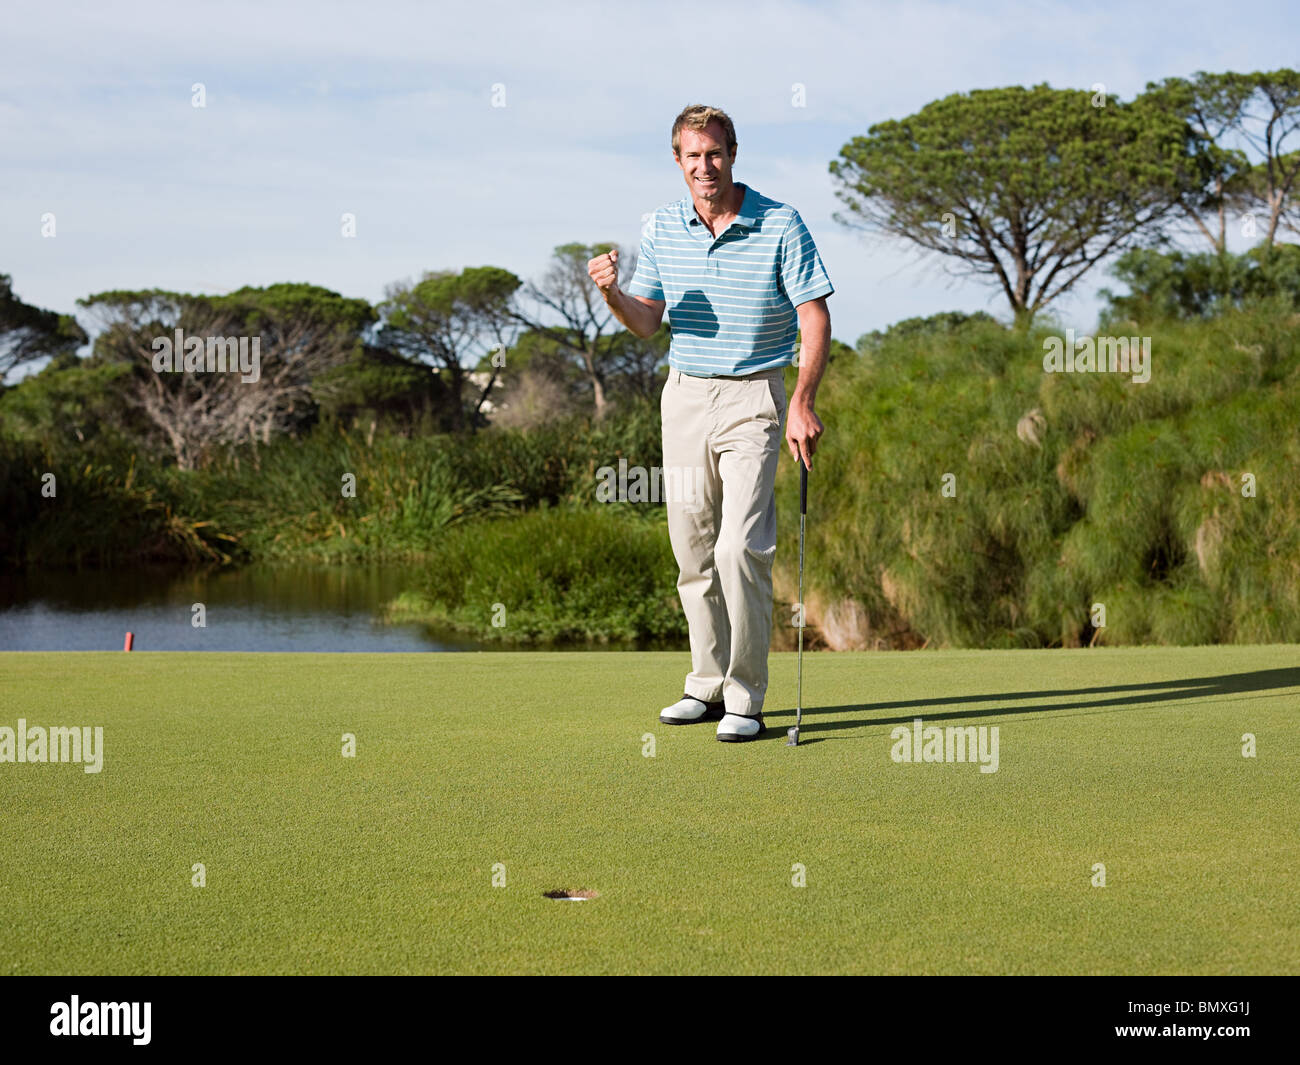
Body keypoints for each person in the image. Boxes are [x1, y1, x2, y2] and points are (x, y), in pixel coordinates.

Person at [587, 104, 833, 742]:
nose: (705, 166)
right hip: (684, 397)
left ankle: (746, 697)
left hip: (755, 397)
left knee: (738, 547)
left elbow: (813, 314)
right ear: (678, 161)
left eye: (715, 153)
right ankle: (706, 685)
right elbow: (648, 321)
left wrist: (802, 401)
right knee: (692, 549)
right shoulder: (662, 227)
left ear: (733, 154)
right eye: (693, 156)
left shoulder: (780, 222)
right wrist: (613, 295)